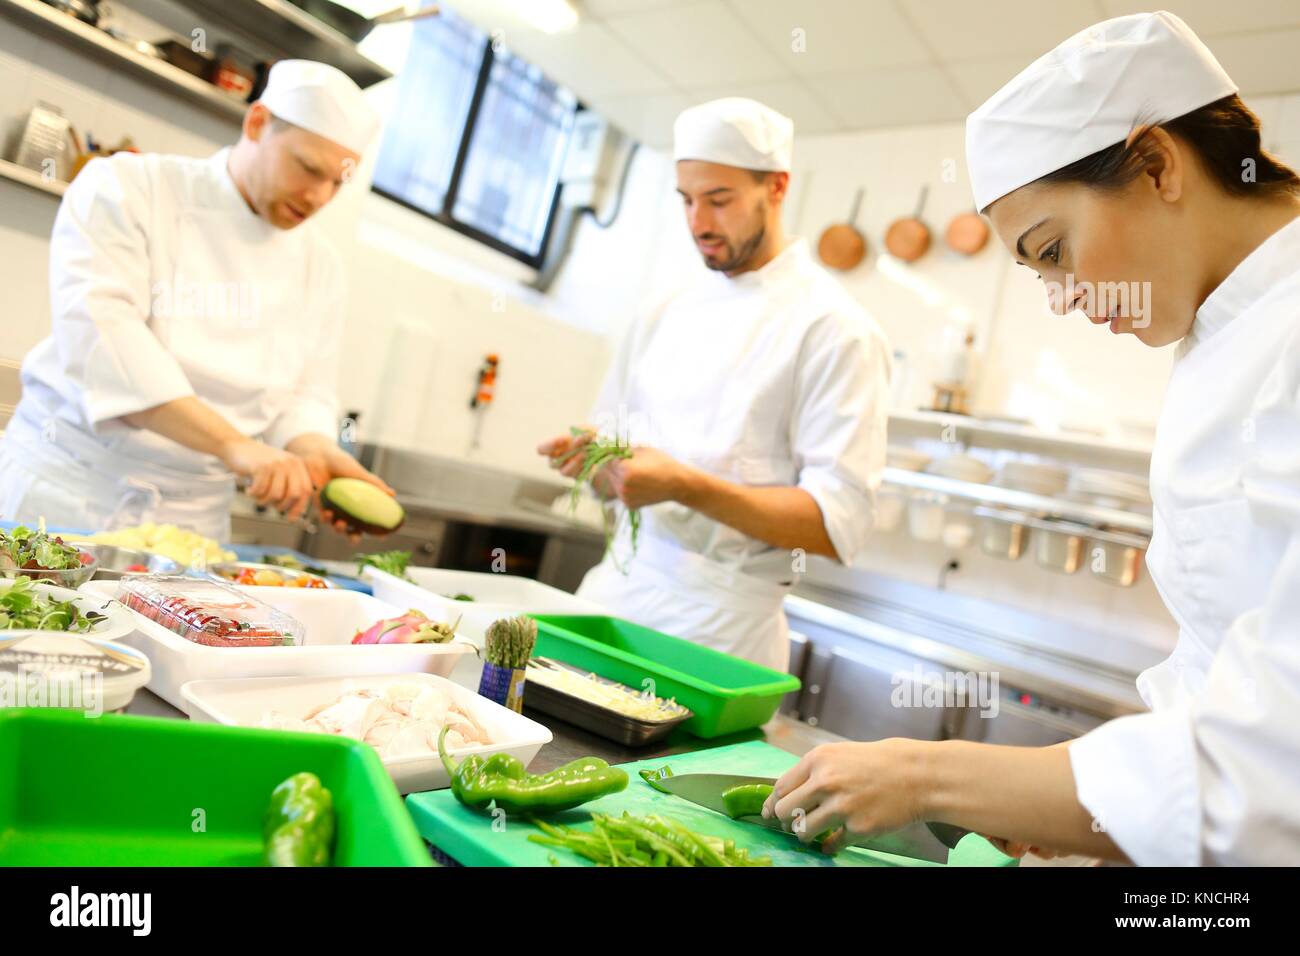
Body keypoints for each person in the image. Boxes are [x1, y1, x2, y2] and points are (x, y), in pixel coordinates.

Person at [764, 11, 1300, 866]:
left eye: (1055, 251)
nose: (1063, 298)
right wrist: (1092, 816)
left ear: (1158, 164)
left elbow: (1279, 758)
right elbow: (1214, 685)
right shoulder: (1221, 337)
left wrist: (930, 776)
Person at [538, 98, 891, 672]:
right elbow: (614, 453)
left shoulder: (835, 329)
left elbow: (836, 524)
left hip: (721, 633)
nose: (699, 222)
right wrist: (599, 465)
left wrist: (683, 484)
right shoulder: (663, 312)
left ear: (776, 187)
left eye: (719, 200)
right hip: (614, 596)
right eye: (687, 200)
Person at [0, 60, 393, 541]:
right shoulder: (127, 188)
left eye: (338, 181)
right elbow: (106, 343)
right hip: (65, 493)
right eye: (308, 167)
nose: (318, 197)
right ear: (256, 123)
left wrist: (313, 447)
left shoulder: (321, 265)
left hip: (192, 527)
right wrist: (233, 445)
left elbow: (304, 394)